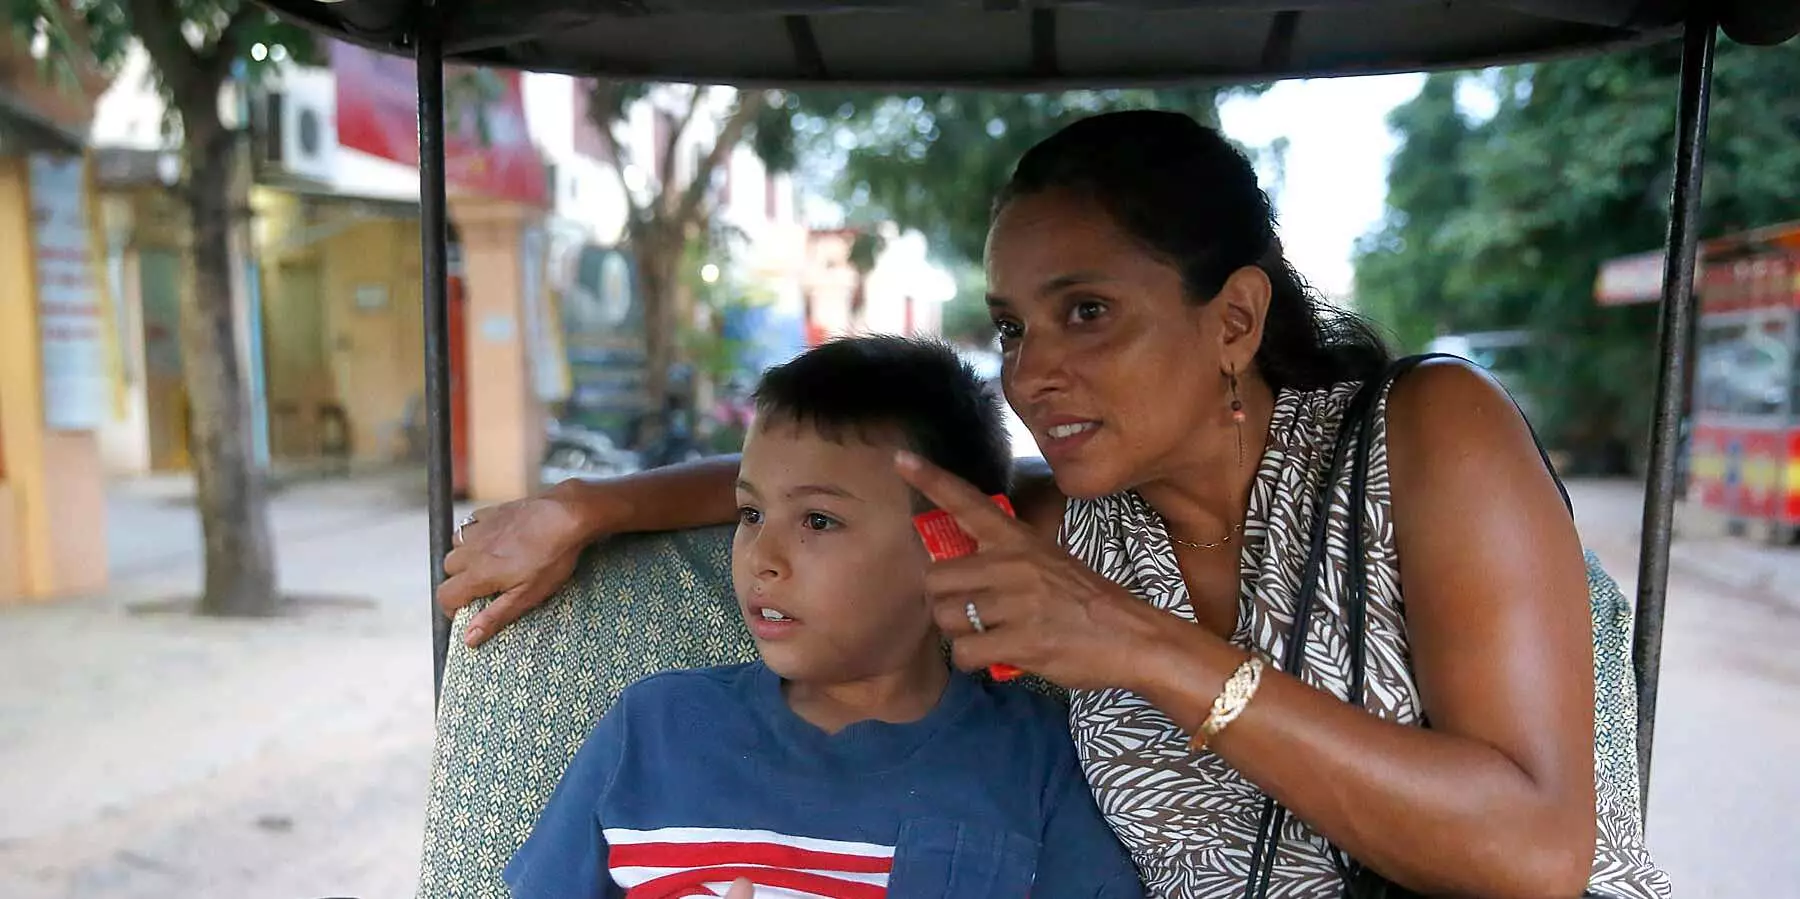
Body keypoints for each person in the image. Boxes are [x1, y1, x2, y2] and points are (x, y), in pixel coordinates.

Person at [449, 111, 1670, 899]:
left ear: (1235, 319)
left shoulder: (1419, 435)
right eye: (1014, 327)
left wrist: (1144, 647)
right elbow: (854, 480)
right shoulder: (1072, 520)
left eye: (1088, 311)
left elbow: (1535, 850)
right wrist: (592, 507)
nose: (1033, 371)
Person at [501, 336, 1144, 899]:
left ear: (954, 545)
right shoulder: (653, 733)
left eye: (818, 521)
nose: (763, 558)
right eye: (749, 515)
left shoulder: (1035, 763)